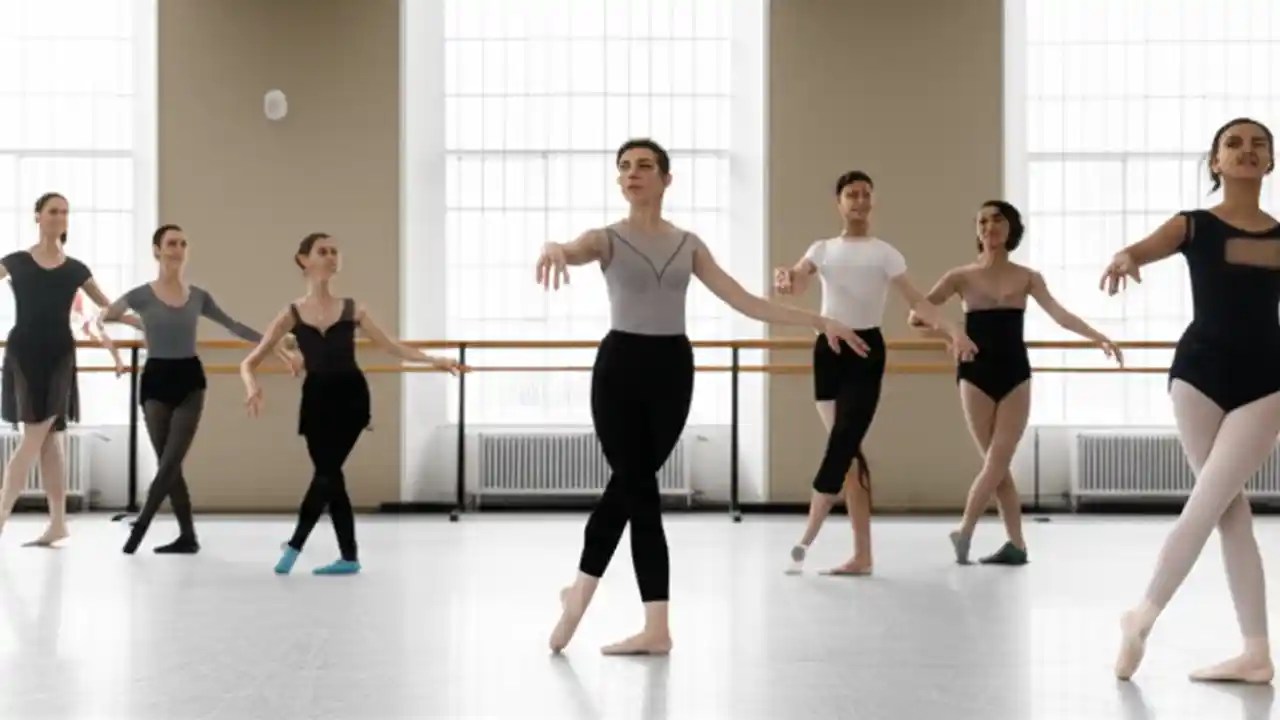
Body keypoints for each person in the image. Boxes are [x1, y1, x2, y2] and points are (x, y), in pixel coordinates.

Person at [538, 137, 867, 656]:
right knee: (637, 487)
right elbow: (572, 249)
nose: (633, 173)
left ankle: (588, 594)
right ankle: (641, 619)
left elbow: (747, 301)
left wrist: (818, 319)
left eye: (645, 165)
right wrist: (554, 248)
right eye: (624, 166)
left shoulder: (688, 244)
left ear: (667, 179)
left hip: (672, 370)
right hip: (619, 369)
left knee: (633, 487)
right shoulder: (606, 238)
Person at [1103, 117, 1278, 684]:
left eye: (1259, 146)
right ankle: (1256, 654)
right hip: (1198, 375)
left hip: (1267, 382)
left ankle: (1143, 614)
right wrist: (1125, 259)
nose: (1246, 152)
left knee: (1208, 504)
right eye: (1234, 144)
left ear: (1270, 163)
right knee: (1230, 513)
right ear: (1216, 162)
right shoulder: (1194, 225)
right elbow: (1140, 250)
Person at [773, 171, 977, 577]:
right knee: (850, 456)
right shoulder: (823, 248)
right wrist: (785, 278)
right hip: (829, 350)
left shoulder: (885, 253)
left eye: (866, 194)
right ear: (839, 201)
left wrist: (953, 330)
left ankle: (808, 535)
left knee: (845, 441)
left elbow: (919, 302)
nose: (860, 200)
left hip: (865, 352)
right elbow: (795, 281)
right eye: (852, 194)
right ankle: (862, 555)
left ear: (873, 201)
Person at [909, 201, 1121, 566]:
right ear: (977, 230)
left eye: (997, 220)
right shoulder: (960, 276)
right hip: (974, 373)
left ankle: (966, 530)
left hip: (1014, 373)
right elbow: (917, 316)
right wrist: (952, 334)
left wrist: (1096, 335)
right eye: (983, 221)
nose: (989, 226)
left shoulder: (1027, 277)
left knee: (999, 459)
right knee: (997, 465)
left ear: (1011, 229)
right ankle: (1017, 546)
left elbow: (1059, 314)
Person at [241, 232, 464, 576]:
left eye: (334, 252)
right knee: (330, 477)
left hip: (351, 398)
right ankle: (348, 557)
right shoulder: (292, 313)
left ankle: (296, 545)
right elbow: (249, 361)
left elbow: (393, 347)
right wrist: (253, 385)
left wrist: (434, 360)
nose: (331, 257)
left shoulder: (352, 309)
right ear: (304, 260)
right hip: (315, 400)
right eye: (322, 251)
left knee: (327, 473)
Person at [99, 224, 299, 555]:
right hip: (155, 381)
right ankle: (188, 536)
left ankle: (141, 527)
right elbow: (105, 316)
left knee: (170, 461)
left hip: (189, 380)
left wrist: (275, 345)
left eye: (183, 244)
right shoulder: (140, 295)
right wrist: (138, 323)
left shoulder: (199, 297)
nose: (178, 249)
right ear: (157, 251)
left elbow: (234, 326)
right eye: (171, 243)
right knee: (169, 464)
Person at [0, 192, 126, 546]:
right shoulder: (16, 261)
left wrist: (147, 321)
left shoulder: (76, 269)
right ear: (37, 216)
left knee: (35, 438)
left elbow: (110, 307)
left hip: (58, 355)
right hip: (23, 354)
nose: (60, 216)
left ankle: (2, 518)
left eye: (65, 212)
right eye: (53, 211)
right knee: (47, 441)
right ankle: (58, 524)